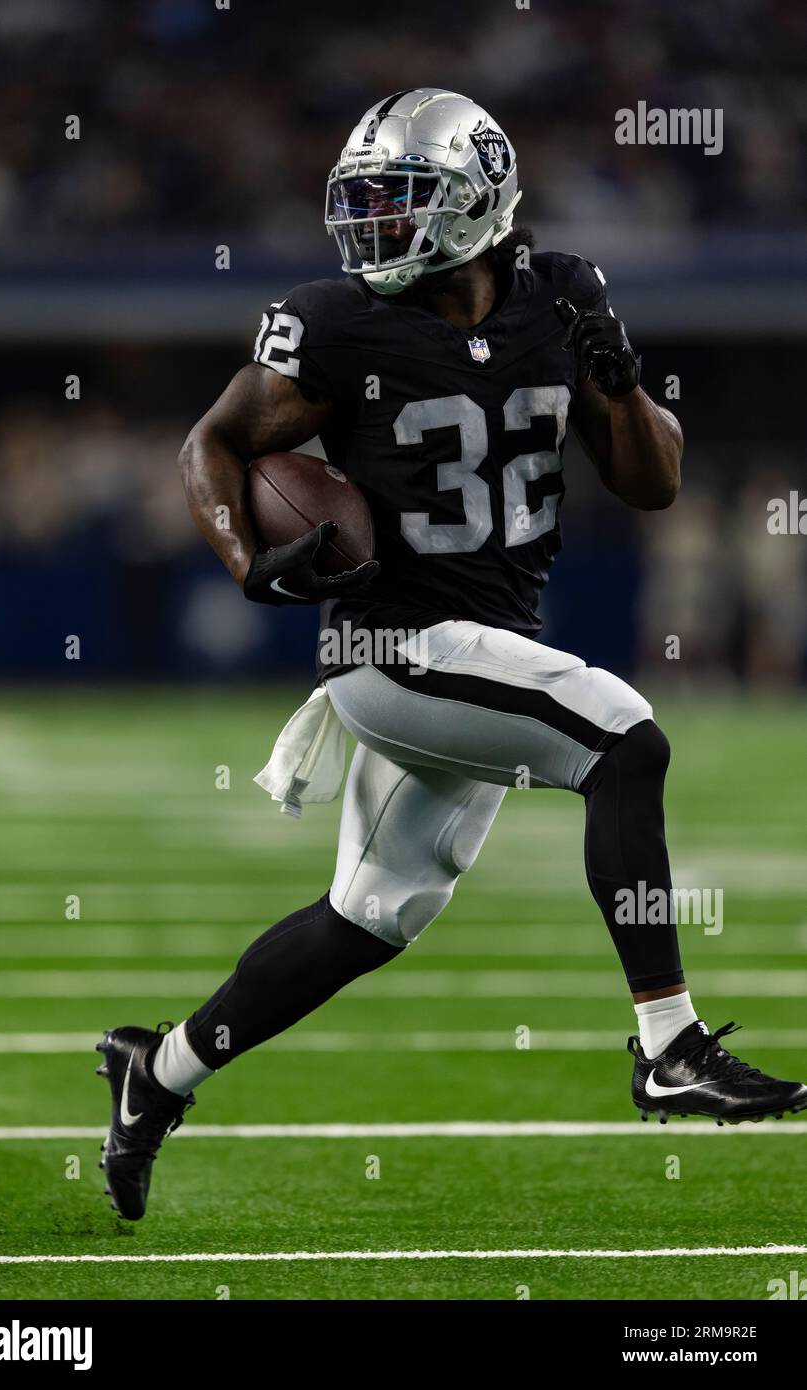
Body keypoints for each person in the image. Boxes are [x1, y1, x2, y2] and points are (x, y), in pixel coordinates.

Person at [96, 89, 806, 1220]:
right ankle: (669, 1045)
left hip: (483, 647)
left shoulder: (561, 294)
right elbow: (214, 442)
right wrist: (246, 561)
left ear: (476, 199)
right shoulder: (334, 323)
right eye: (363, 201)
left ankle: (160, 1071)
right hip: (390, 645)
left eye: (398, 198)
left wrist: (620, 385)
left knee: (367, 916)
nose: (371, 222)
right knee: (623, 739)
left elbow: (652, 482)